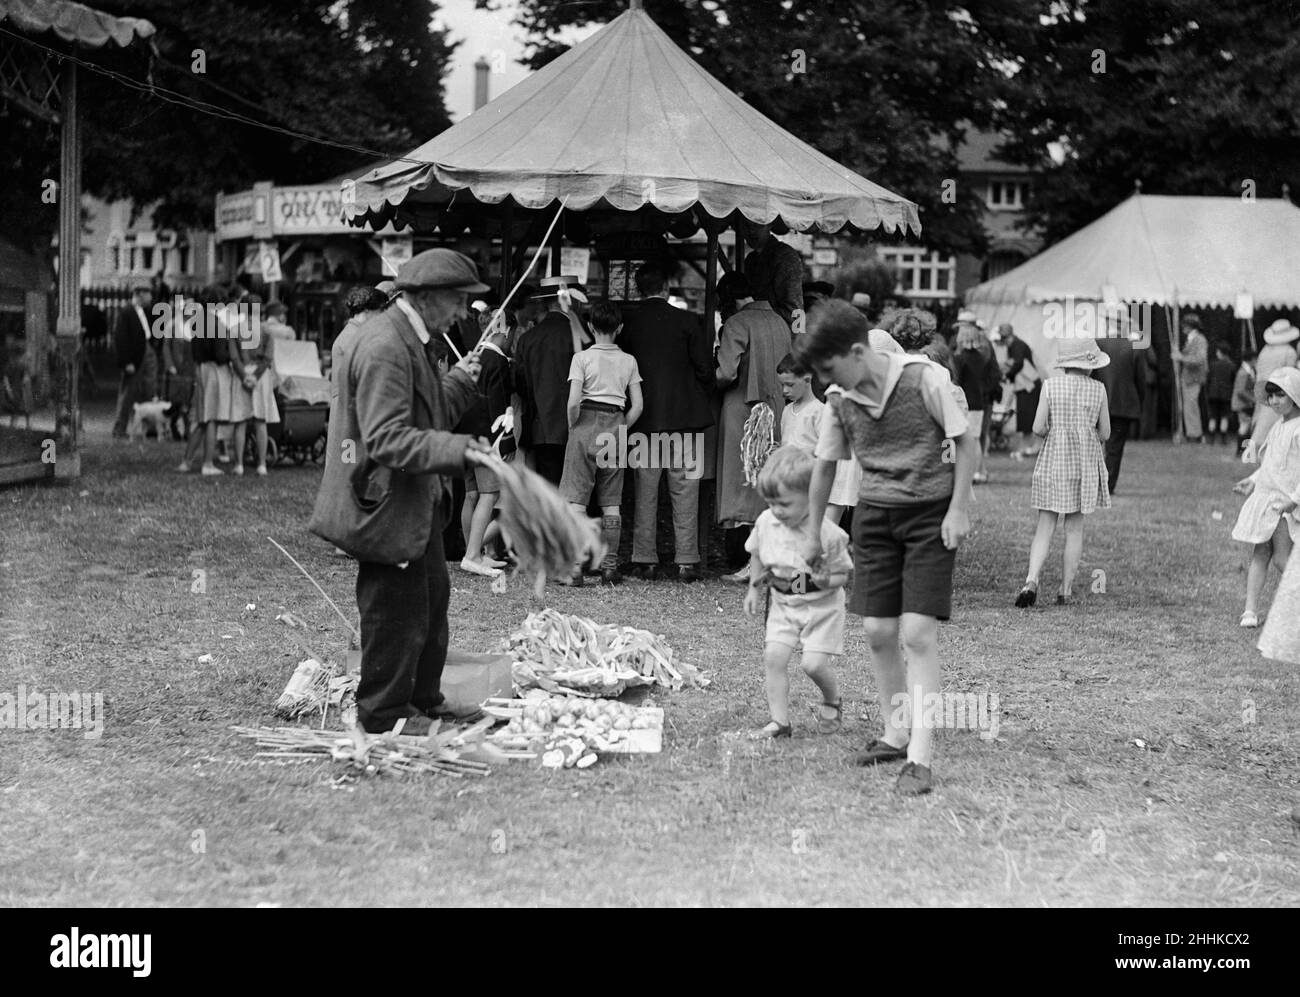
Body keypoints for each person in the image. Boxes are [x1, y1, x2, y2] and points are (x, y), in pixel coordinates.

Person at [308, 249, 491, 735]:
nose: (462, 312)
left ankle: (422, 700)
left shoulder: (412, 338)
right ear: (427, 297)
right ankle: (383, 713)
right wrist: (461, 451)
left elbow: (424, 419)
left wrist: (459, 382)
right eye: (458, 300)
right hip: (386, 504)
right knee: (395, 610)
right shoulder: (386, 344)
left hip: (415, 501)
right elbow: (387, 437)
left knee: (430, 599)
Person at [796, 301, 975, 797]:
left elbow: (967, 444)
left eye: (830, 368)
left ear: (857, 352)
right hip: (874, 515)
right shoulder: (840, 398)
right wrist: (814, 534)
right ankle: (895, 732)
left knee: (917, 633)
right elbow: (825, 467)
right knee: (877, 630)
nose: (825, 380)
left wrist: (958, 510)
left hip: (928, 514)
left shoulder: (925, 379)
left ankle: (920, 756)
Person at [742, 446, 852, 739]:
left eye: (785, 504)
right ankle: (780, 722)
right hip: (783, 605)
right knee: (774, 657)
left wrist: (819, 579)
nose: (777, 510)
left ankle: (832, 699)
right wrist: (753, 589)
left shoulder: (827, 534)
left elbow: (842, 574)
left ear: (812, 496)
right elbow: (756, 553)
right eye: (771, 503)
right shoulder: (767, 522)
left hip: (821, 609)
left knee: (812, 664)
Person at [616, 263, 714, 581]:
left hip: (644, 422)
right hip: (685, 421)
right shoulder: (688, 321)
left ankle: (644, 560)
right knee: (685, 492)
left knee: (645, 493)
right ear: (666, 288)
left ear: (638, 290)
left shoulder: (629, 325)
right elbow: (704, 370)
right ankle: (686, 560)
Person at [1014, 338, 1111, 608]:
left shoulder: (1050, 386)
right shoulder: (1098, 389)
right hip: (1083, 466)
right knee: (1074, 529)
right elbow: (1105, 433)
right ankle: (1065, 590)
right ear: (1088, 365)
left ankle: (1031, 580)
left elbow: (1037, 427)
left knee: (1045, 526)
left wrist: (1053, 433)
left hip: (1053, 462)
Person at [558, 301, 643, 586]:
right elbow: (638, 406)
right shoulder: (629, 361)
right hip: (615, 425)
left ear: (591, 327)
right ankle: (609, 568)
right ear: (619, 328)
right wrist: (621, 427)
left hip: (584, 423)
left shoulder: (581, 358)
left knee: (577, 502)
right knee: (611, 504)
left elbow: (572, 401)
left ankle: (575, 568)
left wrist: (574, 426)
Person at [715, 270, 790, 576]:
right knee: (766, 481)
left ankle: (741, 558)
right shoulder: (781, 322)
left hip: (742, 412)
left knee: (739, 482)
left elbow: (726, 373)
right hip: (777, 408)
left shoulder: (737, 323)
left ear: (732, 299)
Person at [1231, 367, 1300, 628]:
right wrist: (1253, 481)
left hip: (1285, 503)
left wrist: (1294, 499)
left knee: (1284, 558)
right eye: (1270, 397)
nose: (1273, 402)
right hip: (1268, 500)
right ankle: (1250, 610)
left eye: (1279, 395)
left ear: (1294, 395)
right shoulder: (1277, 427)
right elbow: (1270, 464)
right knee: (1260, 552)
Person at [514, 277, 590, 484]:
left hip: (541, 427)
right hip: (579, 424)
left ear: (545, 302)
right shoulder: (584, 338)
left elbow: (520, 383)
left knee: (549, 488)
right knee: (578, 491)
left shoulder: (527, 339)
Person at [457, 318, 515, 578]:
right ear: (506, 331)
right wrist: (505, 440)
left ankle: (473, 553)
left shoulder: (473, 356)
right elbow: (499, 408)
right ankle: (472, 555)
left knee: (471, 495)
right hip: (488, 440)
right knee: (489, 495)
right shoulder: (499, 362)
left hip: (467, 436)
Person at [1093, 312, 1148, 494]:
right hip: (1124, 404)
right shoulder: (1135, 346)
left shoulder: (1097, 344)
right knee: (1115, 448)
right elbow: (1141, 378)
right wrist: (1139, 400)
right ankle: (1107, 486)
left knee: (1092, 445)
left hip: (1098, 402)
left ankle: (1090, 483)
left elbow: (1090, 375)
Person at [228, 295, 280, 477]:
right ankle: (262, 464)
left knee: (240, 421)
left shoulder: (234, 330)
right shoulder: (266, 330)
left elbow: (234, 358)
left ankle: (239, 465)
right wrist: (256, 376)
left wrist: (244, 376)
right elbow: (268, 358)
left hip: (241, 373)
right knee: (260, 421)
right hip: (261, 376)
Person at [739, 220, 805, 330]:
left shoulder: (784, 256)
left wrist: (797, 343)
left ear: (770, 224)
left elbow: (795, 312)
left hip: (780, 336)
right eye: (746, 225)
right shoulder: (751, 260)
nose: (751, 230)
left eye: (758, 224)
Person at [111, 281, 156, 438]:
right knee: (128, 393)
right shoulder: (127, 312)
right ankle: (120, 428)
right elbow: (120, 339)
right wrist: (126, 362)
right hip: (135, 357)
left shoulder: (143, 311)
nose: (150, 297)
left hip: (146, 351)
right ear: (140, 294)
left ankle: (149, 427)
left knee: (149, 389)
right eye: (148, 293)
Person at [1248, 320, 1299, 459]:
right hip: (1278, 391)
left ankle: (1251, 455)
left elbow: (1259, 372)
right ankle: (1261, 456)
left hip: (1262, 389)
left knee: (1260, 423)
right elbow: (1290, 375)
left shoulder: (1264, 350)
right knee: (1274, 424)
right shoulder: (1289, 352)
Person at [952, 323, 992, 484]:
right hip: (979, 400)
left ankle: (975, 472)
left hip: (967, 401)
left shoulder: (960, 358)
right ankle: (981, 470)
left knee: (971, 439)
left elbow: (957, 380)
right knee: (976, 438)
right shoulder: (982, 356)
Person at [1002, 323, 1042, 459]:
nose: (1004, 341)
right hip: (1025, 385)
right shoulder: (1015, 344)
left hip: (1029, 385)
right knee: (1026, 417)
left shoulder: (1017, 345)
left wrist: (1007, 375)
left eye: (1004, 338)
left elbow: (1018, 363)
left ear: (1009, 335)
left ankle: (1031, 446)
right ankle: (1030, 446)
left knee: (1027, 417)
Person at [1171, 313, 1208, 441]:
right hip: (1188, 377)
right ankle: (1192, 432)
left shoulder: (1200, 340)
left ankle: (1195, 434)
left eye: (1185, 325)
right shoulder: (1191, 339)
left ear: (1190, 326)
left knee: (1191, 406)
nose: (1183, 328)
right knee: (1189, 406)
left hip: (1193, 378)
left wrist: (1181, 357)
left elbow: (1200, 359)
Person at [1205, 343, 1236, 446]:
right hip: (1226, 395)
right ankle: (1223, 439)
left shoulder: (1213, 365)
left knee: (1213, 416)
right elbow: (1233, 380)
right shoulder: (1232, 365)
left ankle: (1211, 438)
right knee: (1224, 416)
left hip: (1213, 394)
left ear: (1221, 353)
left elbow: (1208, 379)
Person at [1233, 350, 1257, 454]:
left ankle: (1244, 450)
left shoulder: (1248, 371)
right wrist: (1253, 400)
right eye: (1256, 359)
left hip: (1245, 403)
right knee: (1244, 426)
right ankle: (1240, 450)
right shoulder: (1243, 373)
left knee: (1246, 426)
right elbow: (1240, 391)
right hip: (1242, 404)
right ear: (1251, 359)